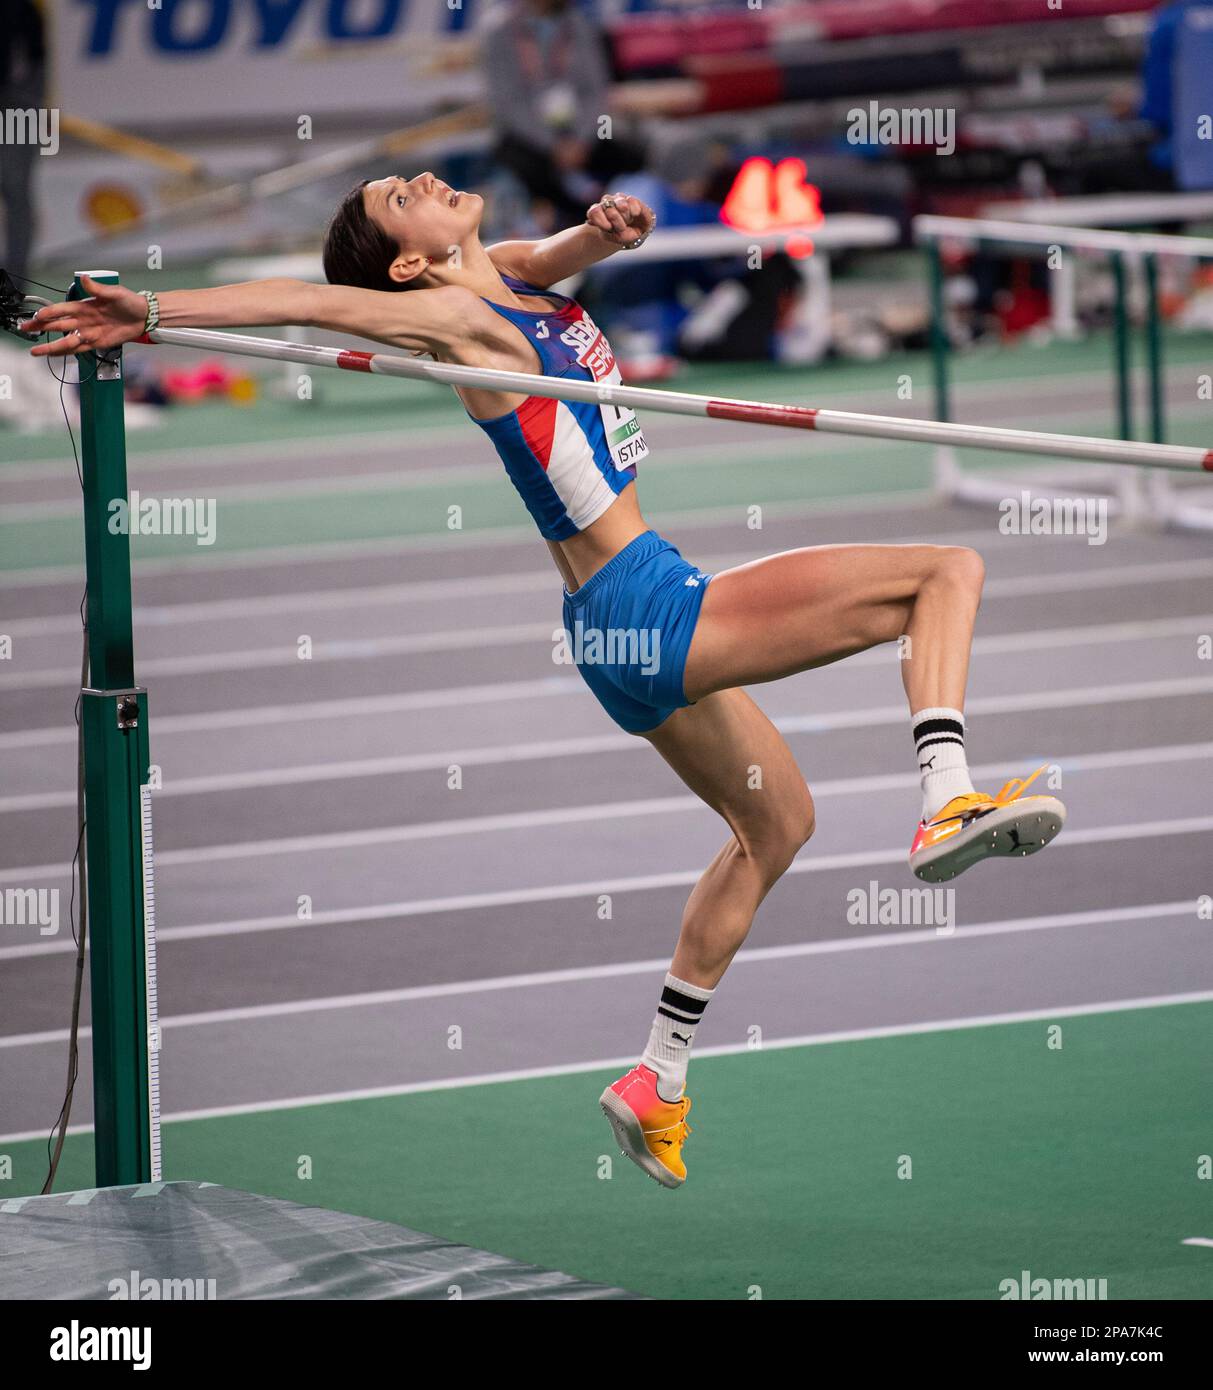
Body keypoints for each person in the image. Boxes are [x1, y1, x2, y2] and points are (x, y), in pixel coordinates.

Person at [21, 172, 1066, 1190]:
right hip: (647, 605)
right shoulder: (454, 319)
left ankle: (658, 1075)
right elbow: (304, 300)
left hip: (608, 625)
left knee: (777, 825)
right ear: (412, 259)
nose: (426, 177)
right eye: (401, 196)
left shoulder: (506, 272)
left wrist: (606, 232)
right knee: (947, 571)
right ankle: (943, 802)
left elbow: (554, 261)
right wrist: (151, 309)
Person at [480, 0, 647, 232]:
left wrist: (580, 140)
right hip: (529, 138)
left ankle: (612, 221)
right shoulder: (500, 32)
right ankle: (569, 226)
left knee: (632, 156)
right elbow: (508, 103)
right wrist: (552, 144)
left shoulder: (581, 25)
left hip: (581, 132)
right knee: (523, 166)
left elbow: (596, 90)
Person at [0, 0, 47, 285]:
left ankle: (14, 285)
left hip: (17, 105)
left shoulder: (23, 10)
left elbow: (35, 62)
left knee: (15, 188)